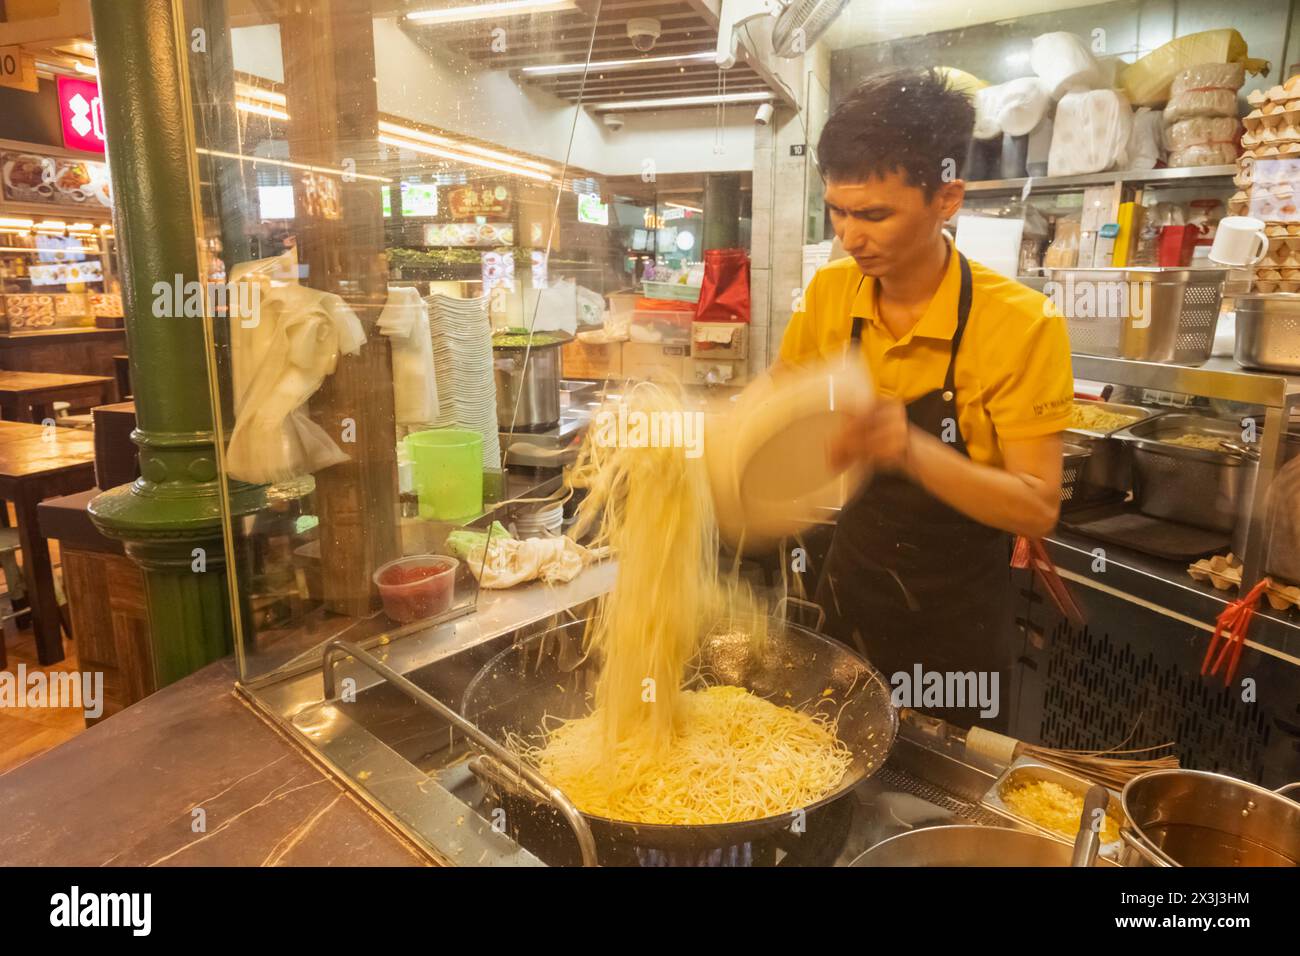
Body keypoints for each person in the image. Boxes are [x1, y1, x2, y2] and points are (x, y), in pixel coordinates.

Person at [777, 69, 1074, 730]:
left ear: (947, 197)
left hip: (955, 636)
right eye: (838, 210)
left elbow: (1037, 505)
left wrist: (907, 448)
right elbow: (780, 412)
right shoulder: (830, 296)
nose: (850, 236)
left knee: (935, 809)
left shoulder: (1022, 325)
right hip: (847, 603)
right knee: (824, 764)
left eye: (875, 214)